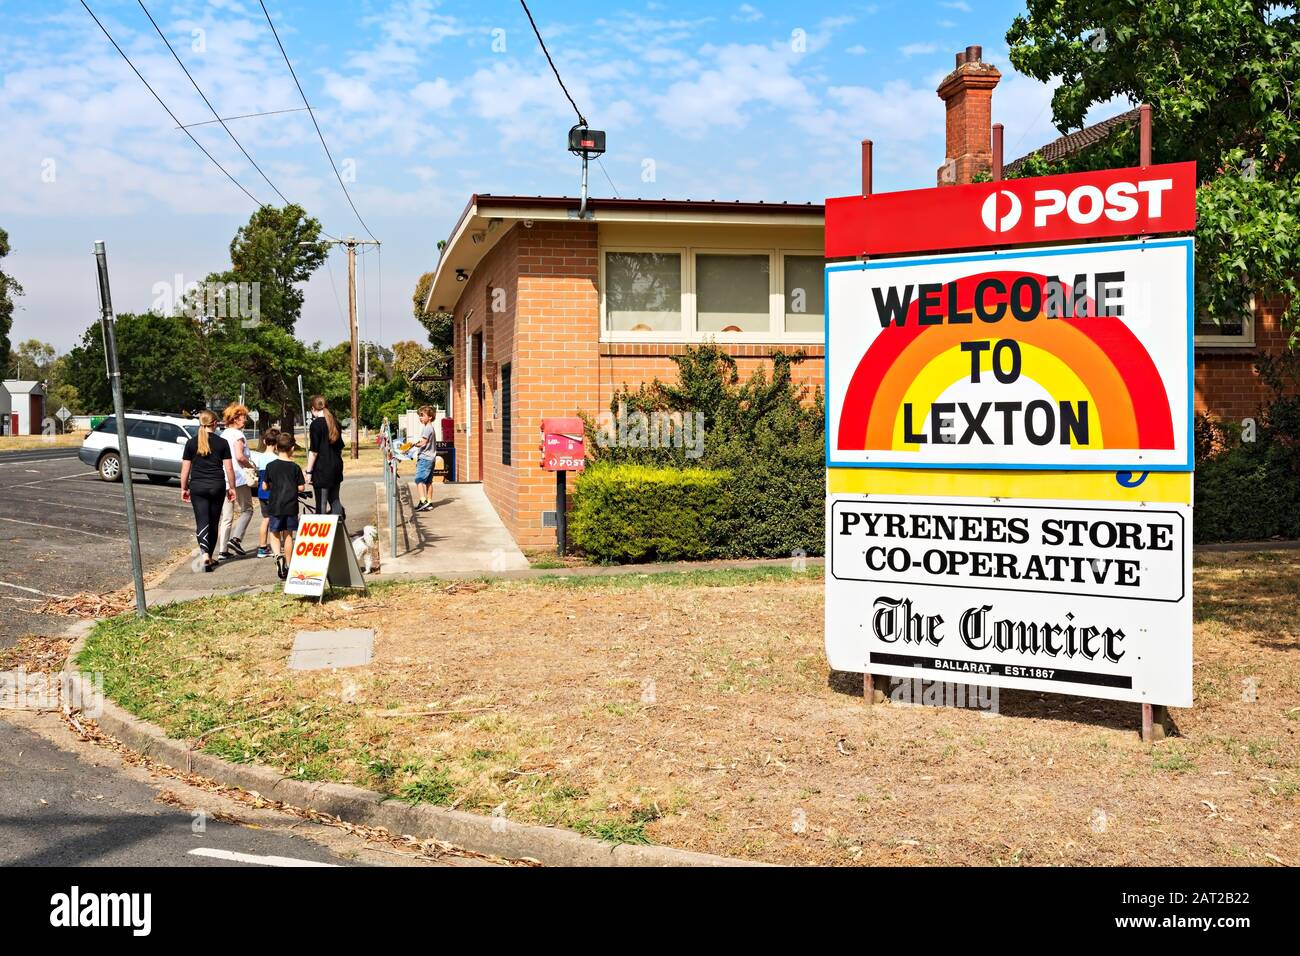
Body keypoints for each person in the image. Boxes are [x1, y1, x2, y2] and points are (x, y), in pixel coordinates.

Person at [180, 411, 236, 573]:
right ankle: (210, 556)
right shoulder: (222, 443)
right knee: (213, 521)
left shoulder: (191, 443)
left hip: (198, 486)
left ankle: (205, 556)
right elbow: (229, 468)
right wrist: (232, 487)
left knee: (202, 521)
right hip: (217, 485)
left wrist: (184, 488)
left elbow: (185, 470)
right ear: (215, 424)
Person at [262, 431, 306, 581]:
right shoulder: (295, 467)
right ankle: (288, 564)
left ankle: (277, 556)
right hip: (291, 506)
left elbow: (265, 486)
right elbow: (301, 488)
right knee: (288, 536)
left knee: (274, 533)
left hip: (274, 505)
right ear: (291, 448)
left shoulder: (270, 466)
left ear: (276, 447)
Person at [217, 404, 255, 560]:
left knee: (226, 516)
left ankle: (222, 550)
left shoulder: (223, 435)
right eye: (243, 417)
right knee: (247, 509)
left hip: (224, 477)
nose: (245, 420)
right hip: (238, 478)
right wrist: (250, 464)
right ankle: (236, 538)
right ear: (236, 418)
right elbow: (239, 456)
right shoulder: (238, 435)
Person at [305, 395, 345, 522]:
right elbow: (340, 447)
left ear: (313, 409)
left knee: (321, 505)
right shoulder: (335, 422)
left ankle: (323, 538)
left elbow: (314, 452)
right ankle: (339, 531)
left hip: (322, 469)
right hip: (336, 466)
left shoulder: (316, 425)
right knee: (335, 500)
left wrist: (309, 472)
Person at [251, 427, 281, 558]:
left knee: (265, 519)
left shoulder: (260, 458)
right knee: (276, 520)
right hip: (272, 493)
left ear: (264, 441)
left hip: (262, 492)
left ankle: (262, 547)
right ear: (277, 443)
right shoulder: (276, 459)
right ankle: (277, 546)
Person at [411, 405, 438, 512]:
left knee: (419, 480)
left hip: (425, 458)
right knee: (428, 482)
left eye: (422, 416)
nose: (420, 418)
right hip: (431, 458)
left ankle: (423, 502)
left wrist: (412, 445)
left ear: (430, 417)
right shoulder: (430, 428)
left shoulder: (427, 428)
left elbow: (423, 442)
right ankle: (429, 502)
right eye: (419, 416)